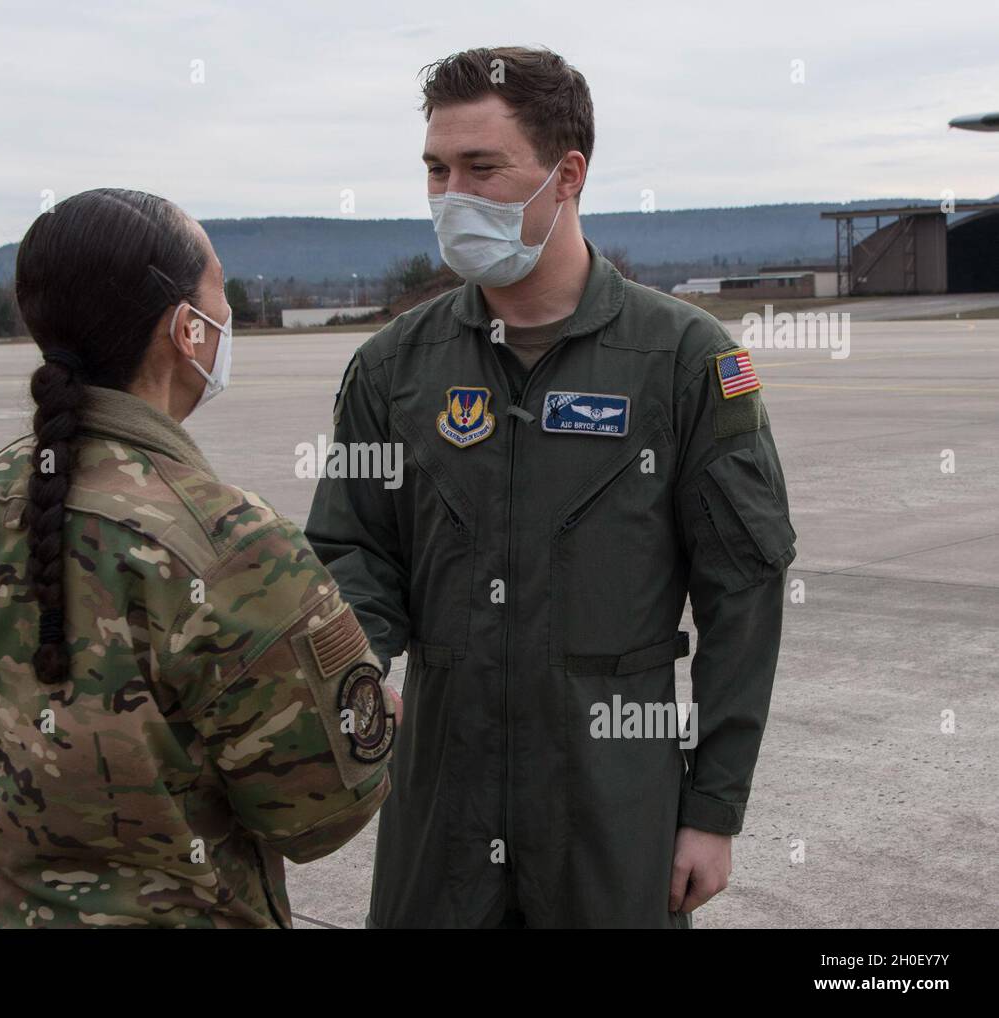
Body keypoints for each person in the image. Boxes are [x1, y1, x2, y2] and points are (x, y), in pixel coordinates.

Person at [305, 47, 797, 928]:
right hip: (440, 807)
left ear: (567, 175)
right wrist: (363, 661)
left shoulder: (687, 362)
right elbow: (353, 549)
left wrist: (714, 809)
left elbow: (744, 592)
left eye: (481, 168)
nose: (451, 194)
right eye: (435, 169)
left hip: (613, 805)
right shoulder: (392, 370)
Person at [0, 188, 397, 929]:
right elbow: (318, 814)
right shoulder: (227, 540)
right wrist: (378, 717)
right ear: (187, 330)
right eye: (221, 290)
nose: (227, 312)